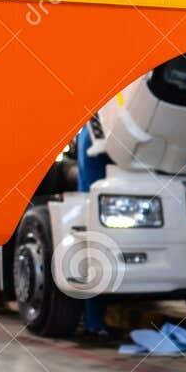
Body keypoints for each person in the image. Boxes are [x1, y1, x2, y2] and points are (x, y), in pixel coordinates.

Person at [76, 122, 113, 340]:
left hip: (96, 202)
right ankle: (94, 323)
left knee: (97, 261)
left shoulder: (92, 127)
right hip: (96, 203)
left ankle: (95, 322)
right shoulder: (95, 128)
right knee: (97, 260)